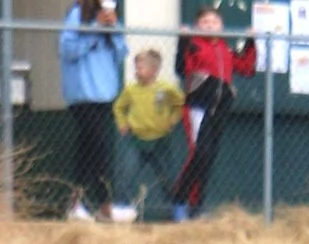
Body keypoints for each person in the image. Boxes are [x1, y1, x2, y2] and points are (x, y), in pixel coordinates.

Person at [172, 13, 253, 219]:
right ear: (197, 26)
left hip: (218, 111)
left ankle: (196, 206)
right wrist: (183, 41)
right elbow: (182, 69)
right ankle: (179, 202)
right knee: (199, 154)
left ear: (222, 26)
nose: (210, 26)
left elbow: (246, 67)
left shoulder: (225, 48)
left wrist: (251, 42)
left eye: (214, 22)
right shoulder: (195, 45)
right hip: (198, 108)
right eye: (204, 22)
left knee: (208, 159)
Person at [58, 2, 128, 220]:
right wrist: (95, 29)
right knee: (99, 147)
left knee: (87, 149)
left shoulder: (111, 17)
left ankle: (75, 203)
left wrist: (114, 29)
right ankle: (105, 205)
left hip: (104, 94)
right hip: (82, 94)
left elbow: (122, 52)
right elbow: (67, 50)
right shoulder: (78, 15)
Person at [110, 47, 185, 223]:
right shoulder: (130, 90)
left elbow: (180, 103)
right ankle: (123, 207)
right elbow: (119, 107)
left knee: (167, 176)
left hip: (161, 140)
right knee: (127, 173)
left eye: (140, 68)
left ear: (153, 70)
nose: (137, 71)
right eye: (135, 68)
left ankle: (175, 208)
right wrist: (122, 123)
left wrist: (173, 120)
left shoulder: (166, 89)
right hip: (135, 140)